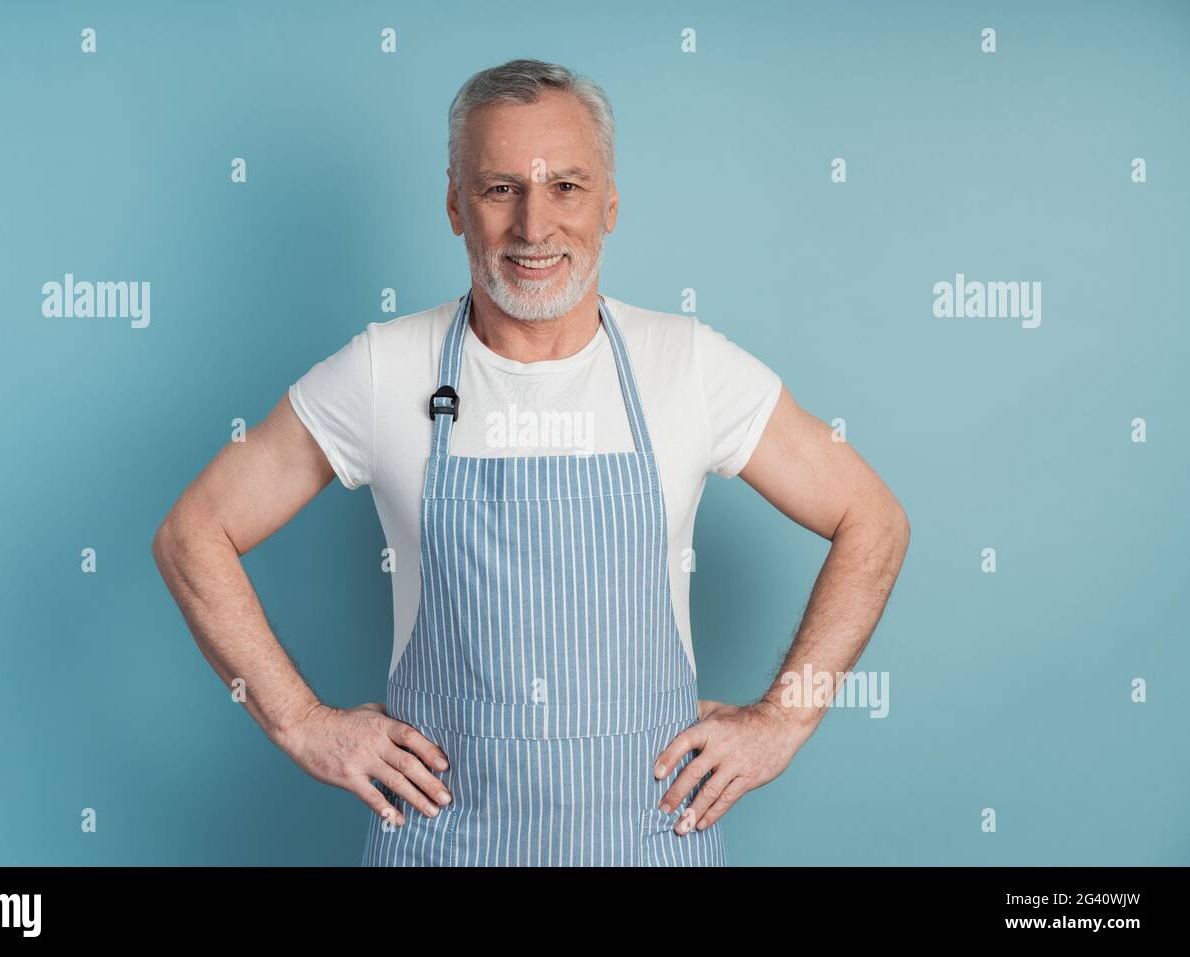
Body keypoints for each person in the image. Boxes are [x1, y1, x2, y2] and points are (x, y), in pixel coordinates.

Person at [152, 59, 910, 867]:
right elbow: (192, 534)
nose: (535, 228)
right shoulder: (386, 369)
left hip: (649, 842)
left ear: (611, 202)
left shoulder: (686, 365)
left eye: (567, 188)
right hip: (443, 845)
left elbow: (874, 520)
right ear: (454, 203)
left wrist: (783, 720)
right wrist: (302, 723)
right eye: (501, 189)